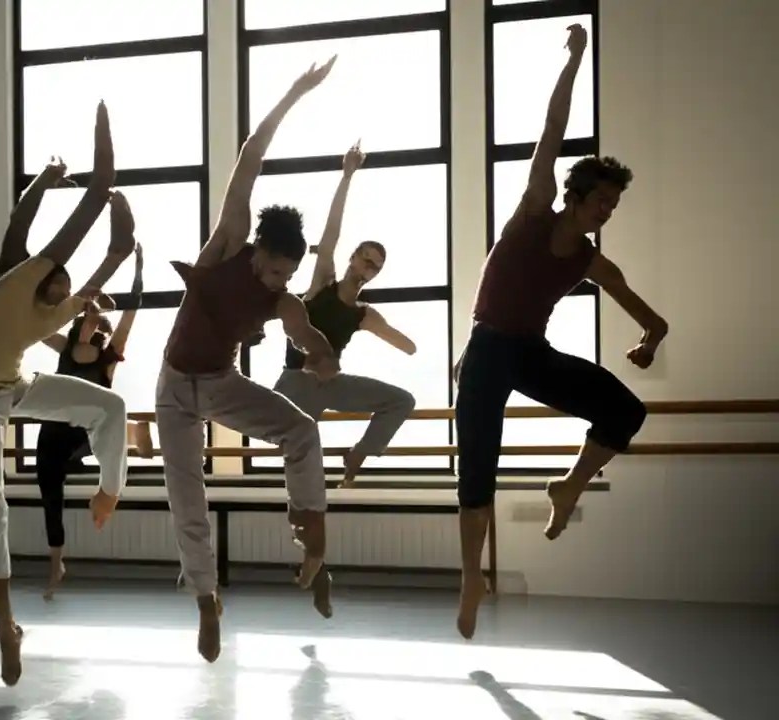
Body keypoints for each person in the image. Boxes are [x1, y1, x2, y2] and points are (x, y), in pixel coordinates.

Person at [453, 24, 664, 639]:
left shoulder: (590, 262)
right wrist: (575, 59)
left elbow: (647, 312)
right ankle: (471, 575)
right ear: (575, 196)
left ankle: (567, 486)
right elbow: (552, 130)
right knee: (478, 471)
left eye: (612, 209)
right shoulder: (534, 207)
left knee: (625, 410)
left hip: (530, 354)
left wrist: (651, 340)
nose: (605, 213)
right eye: (600, 202)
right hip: (488, 349)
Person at [156, 58, 344, 664]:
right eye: (268, 267)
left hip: (219, 384)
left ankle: (311, 543)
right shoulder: (233, 236)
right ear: (255, 246)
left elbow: (311, 336)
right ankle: (207, 601)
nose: (271, 279)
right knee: (188, 496)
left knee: (301, 429)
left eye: (283, 274)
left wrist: (324, 360)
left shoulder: (284, 300)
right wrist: (295, 90)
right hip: (173, 386)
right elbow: (251, 153)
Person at [0, 101, 134, 687]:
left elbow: (117, 248)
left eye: (66, 285)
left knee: (111, 405)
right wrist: (50, 179)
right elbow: (20, 224)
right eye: (56, 275)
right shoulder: (12, 274)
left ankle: (108, 491)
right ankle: (6, 625)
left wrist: (120, 231)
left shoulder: (62, 308)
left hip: (16, 385)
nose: (60, 281)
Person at [269, 141, 417, 487]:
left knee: (402, 401)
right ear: (352, 258)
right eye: (364, 257)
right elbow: (331, 231)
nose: (368, 266)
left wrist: (393, 335)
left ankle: (358, 454)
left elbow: (408, 348)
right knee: (302, 458)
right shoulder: (324, 282)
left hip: (332, 383)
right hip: (297, 380)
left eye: (375, 265)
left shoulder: (365, 315)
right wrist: (347, 174)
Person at [34, 243, 153, 600]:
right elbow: (31, 325)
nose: (89, 319)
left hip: (88, 435)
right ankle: (57, 561)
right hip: (53, 435)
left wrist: (138, 272)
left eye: (93, 316)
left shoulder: (108, 356)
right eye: (84, 315)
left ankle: (130, 433)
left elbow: (131, 313)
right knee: (49, 494)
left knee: (106, 430)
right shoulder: (63, 347)